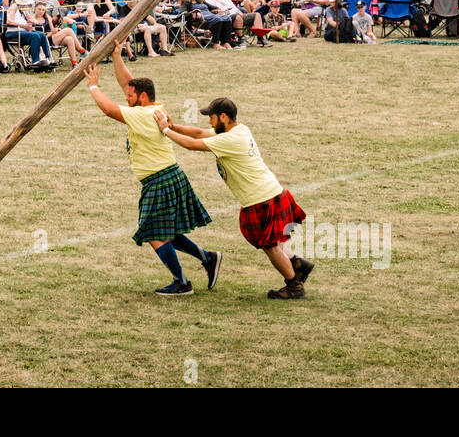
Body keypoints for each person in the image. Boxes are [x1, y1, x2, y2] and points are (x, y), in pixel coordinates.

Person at [83, 44, 215, 296]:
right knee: (169, 231)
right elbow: (128, 84)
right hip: (167, 176)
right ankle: (208, 258)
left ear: (142, 97)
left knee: (154, 232)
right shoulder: (151, 107)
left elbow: (109, 109)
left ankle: (182, 283)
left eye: (131, 96)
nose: (126, 97)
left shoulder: (142, 115)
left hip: (160, 179)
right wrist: (116, 56)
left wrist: (93, 85)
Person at [156, 97, 312, 299]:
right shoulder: (238, 130)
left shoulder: (229, 139)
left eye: (211, 117)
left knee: (270, 247)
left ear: (223, 117)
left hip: (261, 199)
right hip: (272, 193)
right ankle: (297, 263)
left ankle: (294, 286)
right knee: (273, 243)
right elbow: (198, 133)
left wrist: (165, 131)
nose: (209, 122)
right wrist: (173, 125)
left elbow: (192, 144)